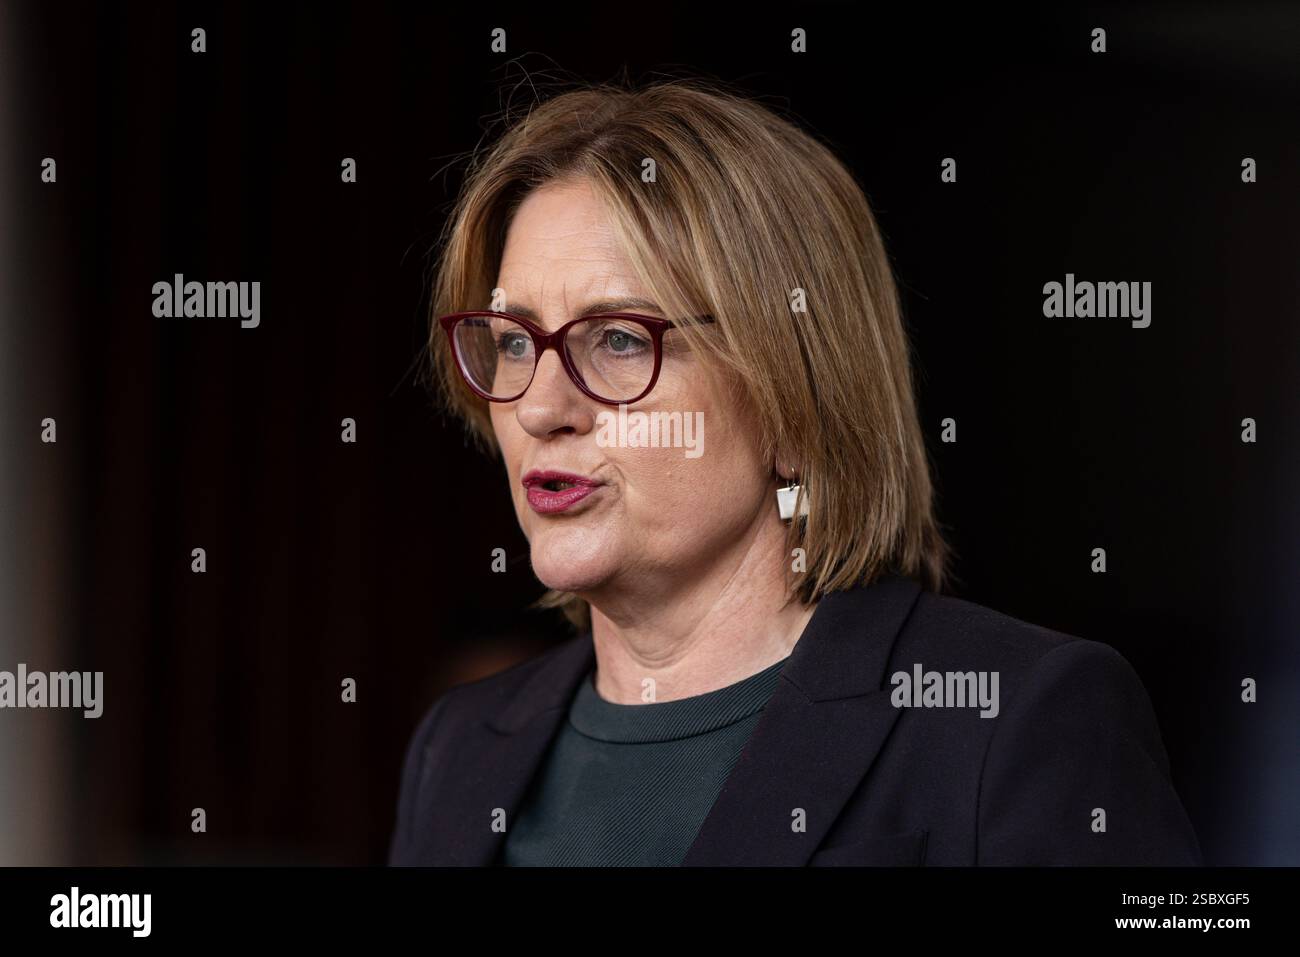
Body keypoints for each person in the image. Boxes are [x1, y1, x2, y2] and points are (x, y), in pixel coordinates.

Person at [388, 78, 1201, 866]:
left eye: (619, 339)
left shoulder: (1020, 715)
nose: (539, 407)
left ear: (792, 396)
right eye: (517, 341)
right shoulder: (459, 744)